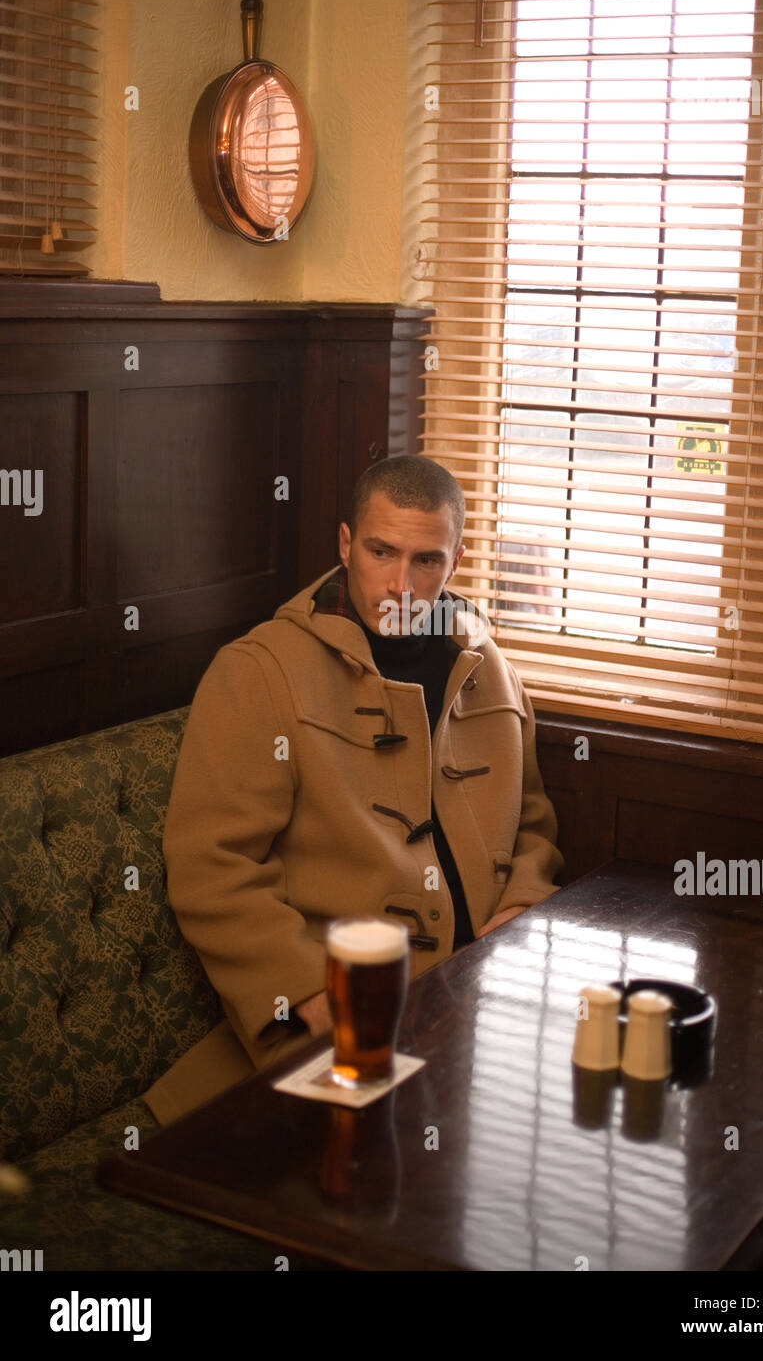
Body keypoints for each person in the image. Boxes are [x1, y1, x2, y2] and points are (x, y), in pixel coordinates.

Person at [142, 455, 562, 1124]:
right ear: (345, 545)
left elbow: (533, 827)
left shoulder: (492, 669)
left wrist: (522, 912)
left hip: (478, 1018)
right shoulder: (259, 672)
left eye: (427, 560)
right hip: (331, 1034)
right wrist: (308, 993)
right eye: (380, 551)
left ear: (455, 562)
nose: (401, 584)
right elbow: (211, 866)